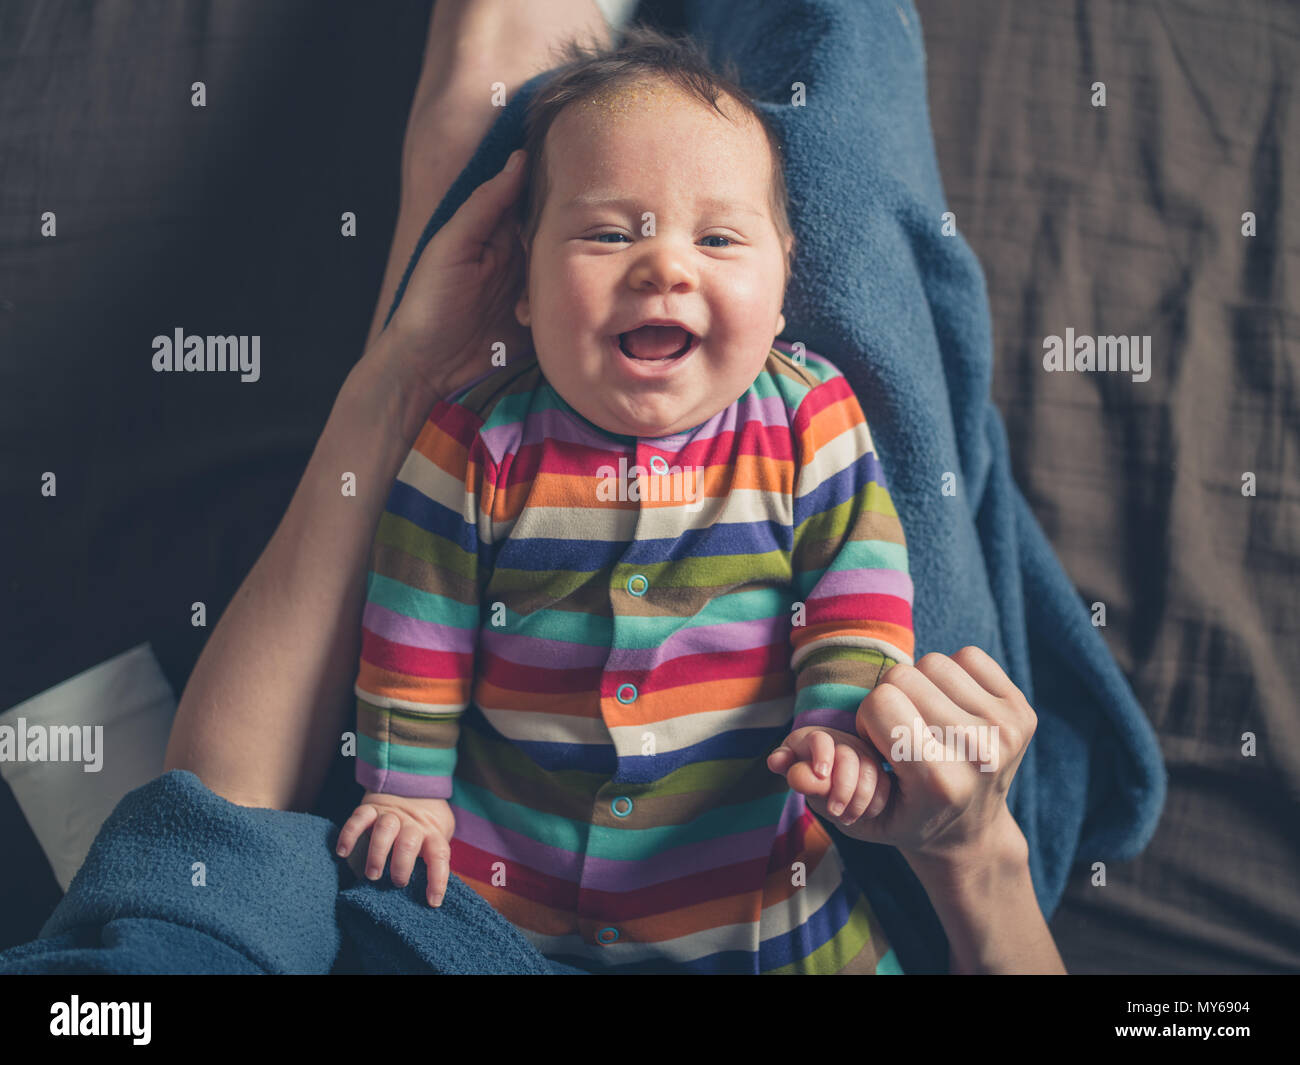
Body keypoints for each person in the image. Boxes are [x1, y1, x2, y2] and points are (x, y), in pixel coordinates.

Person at [164, 0, 1065, 975]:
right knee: (840, 88)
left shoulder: (810, 417)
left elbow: (857, 595)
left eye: (720, 242)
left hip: (751, 898)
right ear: (521, 288)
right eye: (603, 237)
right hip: (538, 903)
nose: (666, 265)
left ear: (783, 288)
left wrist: (840, 725)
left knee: (834, 141)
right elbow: (417, 622)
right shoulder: (480, 437)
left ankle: (517, 67)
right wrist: (406, 787)